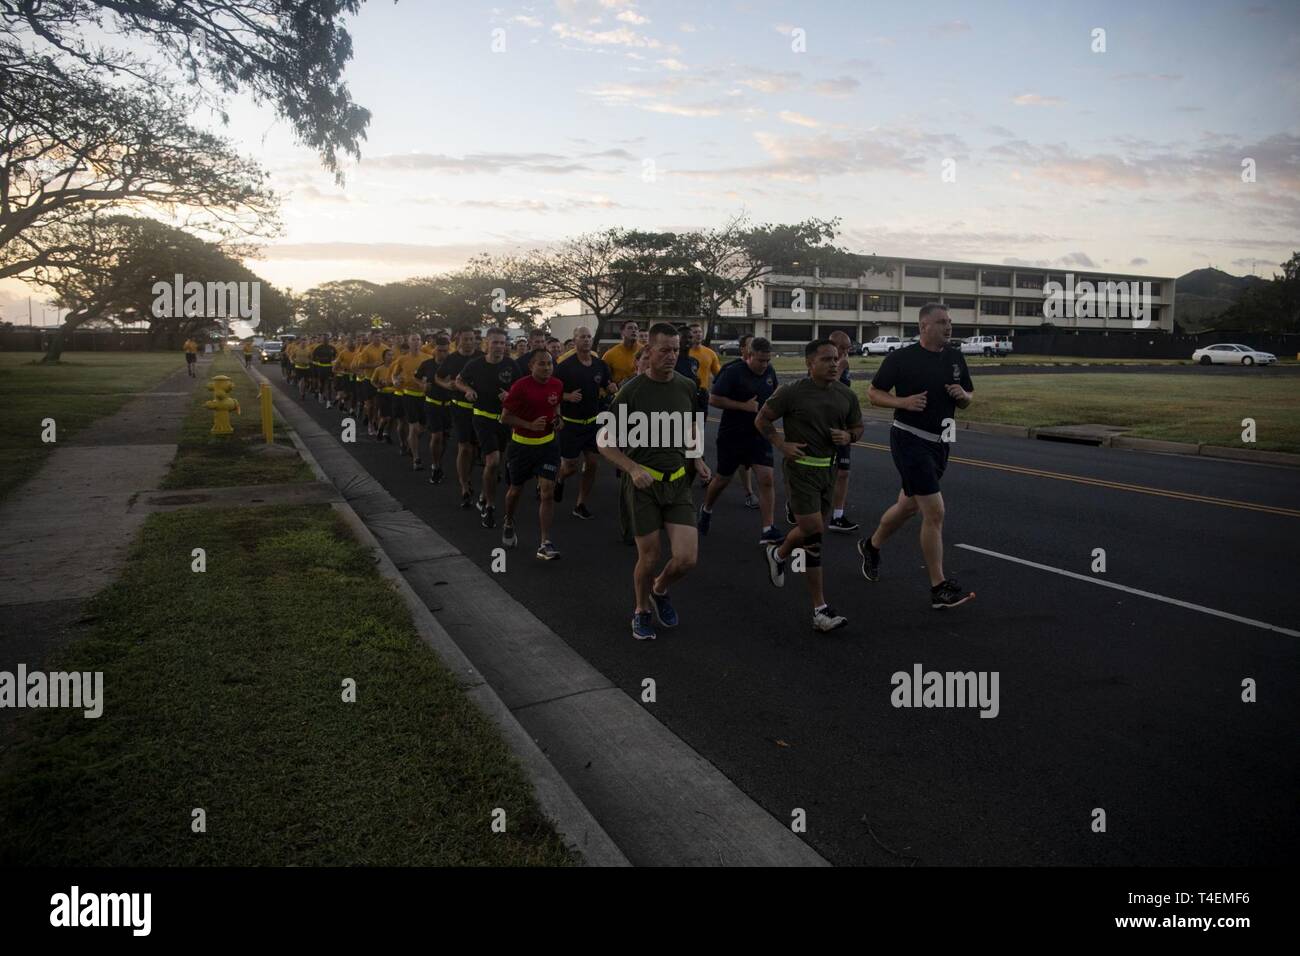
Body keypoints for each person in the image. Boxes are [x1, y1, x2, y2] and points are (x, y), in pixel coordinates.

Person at [858, 303, 975, 610]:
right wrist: (904, 401)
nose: (948, 327)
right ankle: (938, 587)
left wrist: (964, 397)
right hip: (909, 439)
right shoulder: (901, 358)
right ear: (924, 326)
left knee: (908, 506)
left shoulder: (954, 356)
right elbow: (873, 393)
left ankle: (871, 546)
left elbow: (968, 395)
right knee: (934, 511)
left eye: (950, 322)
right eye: (941, 322)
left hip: (941, 442)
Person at [598, 323, 710, 641]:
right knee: (648, 556)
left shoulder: (688, 386)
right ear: (649, 351)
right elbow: (604, 442)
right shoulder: (631, 392)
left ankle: (659, 589)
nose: (671, 356)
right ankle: (641, 610)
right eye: (664, 350)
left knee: (687, 559)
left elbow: (690, 427)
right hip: (643, 486)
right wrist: (632, 468)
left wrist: (697, 457)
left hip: (677, 483)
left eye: (676, 349)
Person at [756, 338, 863, 633]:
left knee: (810, 531)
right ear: (809, 363)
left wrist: (849, 437)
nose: (833, 364)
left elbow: (858, 427)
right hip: (800, 471)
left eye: (836, 359)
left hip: (827, 472)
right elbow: (762, 420)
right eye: (826, 359)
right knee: (814, 533)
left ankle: (778, 554)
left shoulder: (846, 395)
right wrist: (781, 443)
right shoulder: (791, 392)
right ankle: (820, 610)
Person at [698, 337, 782, 546]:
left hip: (759, 434)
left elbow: (774, 396)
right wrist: (743, 406)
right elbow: (714, 399)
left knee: (766, 478)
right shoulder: (732, 372)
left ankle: (767, 529)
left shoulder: (770, 371)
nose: (764, 365)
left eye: (767, 360)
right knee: (721, 480)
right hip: (732, 435)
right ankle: (706, 508)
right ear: (748, 356)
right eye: (760, 360)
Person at [500, 348, 564, 559]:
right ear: (531, 366)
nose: (547, 367)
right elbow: (505, 418)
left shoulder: (557, 384)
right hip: (522, 447)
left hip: (548, 447)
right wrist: (529, 424)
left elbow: (556, 408)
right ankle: (509, 521)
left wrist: (558, 420)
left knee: (547, 492)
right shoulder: (520, 386)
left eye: (550, 364)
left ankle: (545, 542)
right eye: (542, 364)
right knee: (515, 492)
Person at [455, 327, 520, 529]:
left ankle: (484, 495)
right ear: (486, 343)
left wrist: (511, 397)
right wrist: (468, 389)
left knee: (496, 463)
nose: (499, 346)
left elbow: (520, 390)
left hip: (503, 420)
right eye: (495, 342)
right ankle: (490, 507)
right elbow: (459, 380)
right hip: (482, 418)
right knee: (492, 461)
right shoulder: (475, 364)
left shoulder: (511, 365)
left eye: (503, 343)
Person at [553, 325, 610, 520]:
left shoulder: (599, 365)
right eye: (582, 337)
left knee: (593, 463)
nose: (586, 340)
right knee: (570, 467)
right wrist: (567, 396)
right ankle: (559, 479)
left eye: (589, 337)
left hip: (592, 423)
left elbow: (606, 384)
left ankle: (580, 504)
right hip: (570, 423)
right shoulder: (564, 366)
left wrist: (611, 386)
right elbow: (551, 392)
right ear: (574, 340)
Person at [436, 327, 484, 509]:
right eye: (466, 339)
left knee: (474, 449)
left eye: (472, 339)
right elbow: (438, 377)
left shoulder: (482, 356)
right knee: (464, 448)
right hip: (459, 408)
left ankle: (468, 477)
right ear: (458, 340)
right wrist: (446, 385)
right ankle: (464, 486)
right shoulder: (452, 358)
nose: (469, 342)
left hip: (479, 409)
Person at [827, 330, 860, 533]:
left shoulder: (843, 365)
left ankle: (837, 516)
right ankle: (798, 505)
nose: (847, 353)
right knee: (821, 473)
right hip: (823, 427)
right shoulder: (823, 363)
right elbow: (826, 391)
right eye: (843, 348)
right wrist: (839, 369)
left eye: (848, 349)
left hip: (843, 426)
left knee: (843, 472)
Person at [417, 333, 453, 485]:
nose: (443, 353)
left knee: (444, 437)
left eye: (445, 351)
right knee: (436, 436)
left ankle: (439, 461)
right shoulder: (427, 364)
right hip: (432, 403)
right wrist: (422, 385)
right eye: (440, 350)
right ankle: (435, 466)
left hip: (449, 406)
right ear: (434, 350)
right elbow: (417, 377)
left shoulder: (453, 365)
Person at [391, 333, 427, 469]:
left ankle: (411, 442)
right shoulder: (402, 359)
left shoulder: (428, 358)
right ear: (409, 342)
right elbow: (394, 375)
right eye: (413, 340)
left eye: (418, 340)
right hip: (409, 395)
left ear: (421, 342)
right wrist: (396, 381)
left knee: (422, 428)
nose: (416, 342)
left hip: (424, 396)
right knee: (413, 426)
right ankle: (416, 458)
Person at [601, 320, 640, 388]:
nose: (634, 330)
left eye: (636, 328)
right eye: (630, 328)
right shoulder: (610, 354)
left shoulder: (645, 351)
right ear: (622, 332)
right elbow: (602, 377)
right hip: (620, 394)